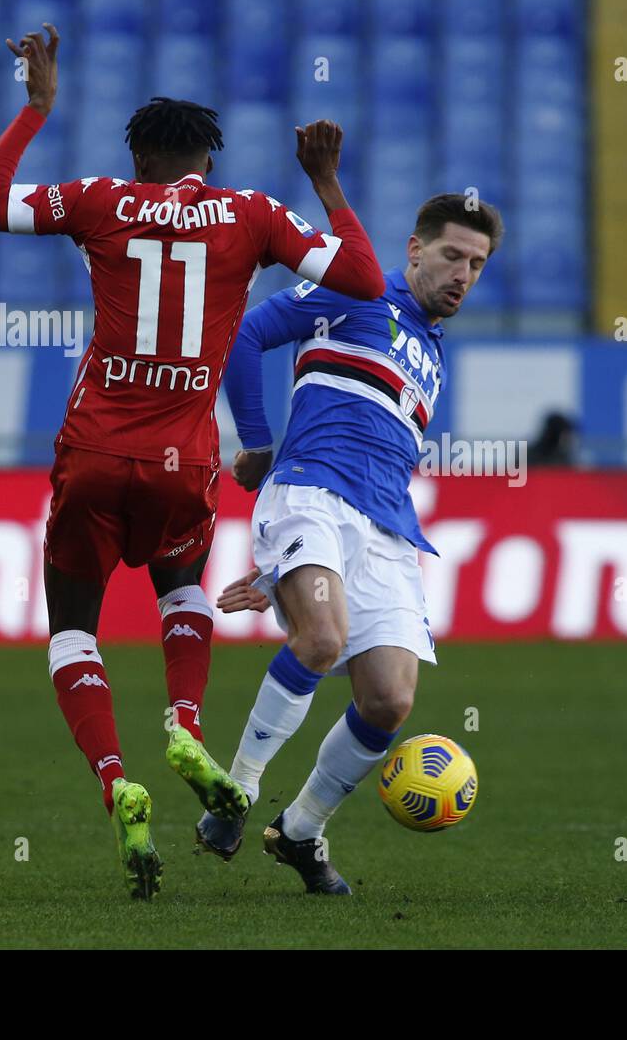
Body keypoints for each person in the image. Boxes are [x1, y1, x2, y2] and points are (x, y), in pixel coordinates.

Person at [0, 24, 385, 899]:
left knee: (74, 626)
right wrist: (327, 183)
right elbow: (369, 281)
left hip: (93, 449)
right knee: (182, 587)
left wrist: (36, 109)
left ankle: (118, 779)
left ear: (140, 156)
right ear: (206, 159)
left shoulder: (98, 199)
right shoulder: (253, 213)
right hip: (183, 458)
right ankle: (185, 722)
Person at [201, 194, 504, 893]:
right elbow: (244, 335)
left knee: (390, 700)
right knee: (321, 638)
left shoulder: (432, 353)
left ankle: (301, 830)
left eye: (478, 264)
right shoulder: (355, 288)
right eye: (453, 255)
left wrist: (286, 570)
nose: (464, 273)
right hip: (310, 492)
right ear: (414, 250)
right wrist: (254, 436)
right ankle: (237, 791)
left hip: (387, 532)